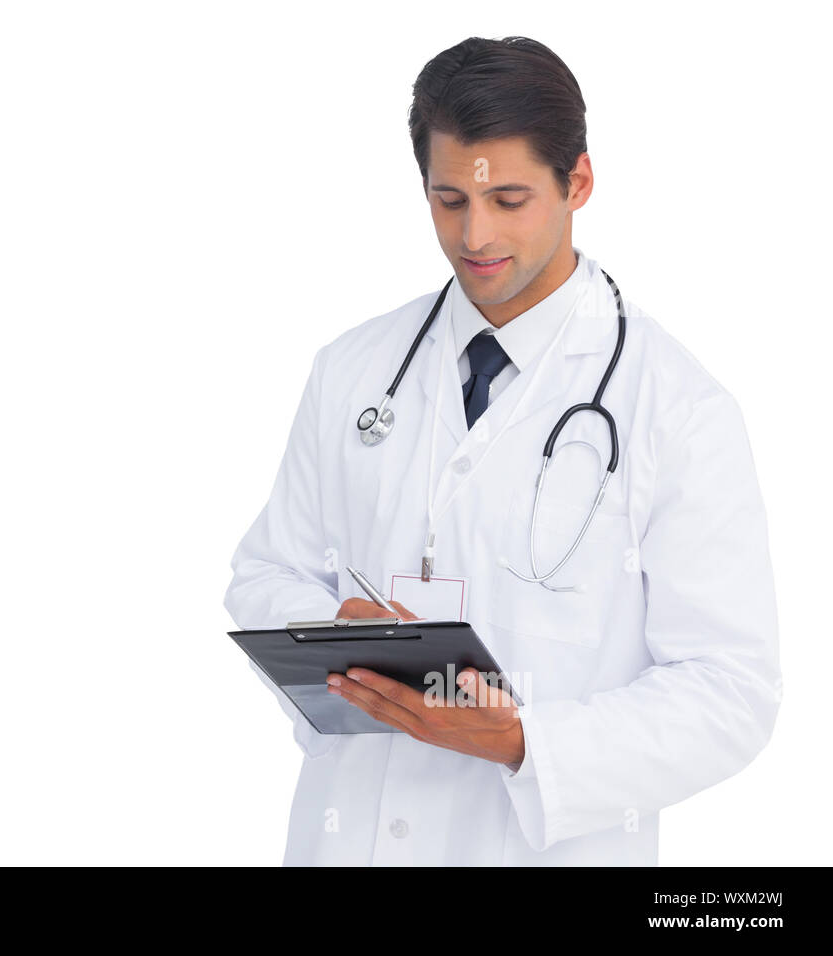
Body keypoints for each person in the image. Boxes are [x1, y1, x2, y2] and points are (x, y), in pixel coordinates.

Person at [222, 35, 781, 866]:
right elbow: (266, 577)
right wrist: (336, 628)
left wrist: (525, 742)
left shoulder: (678, 410)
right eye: (449, 199)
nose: (474, 235)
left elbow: (733, 693)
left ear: (578, 183)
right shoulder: (352, 372)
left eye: (509, 199)